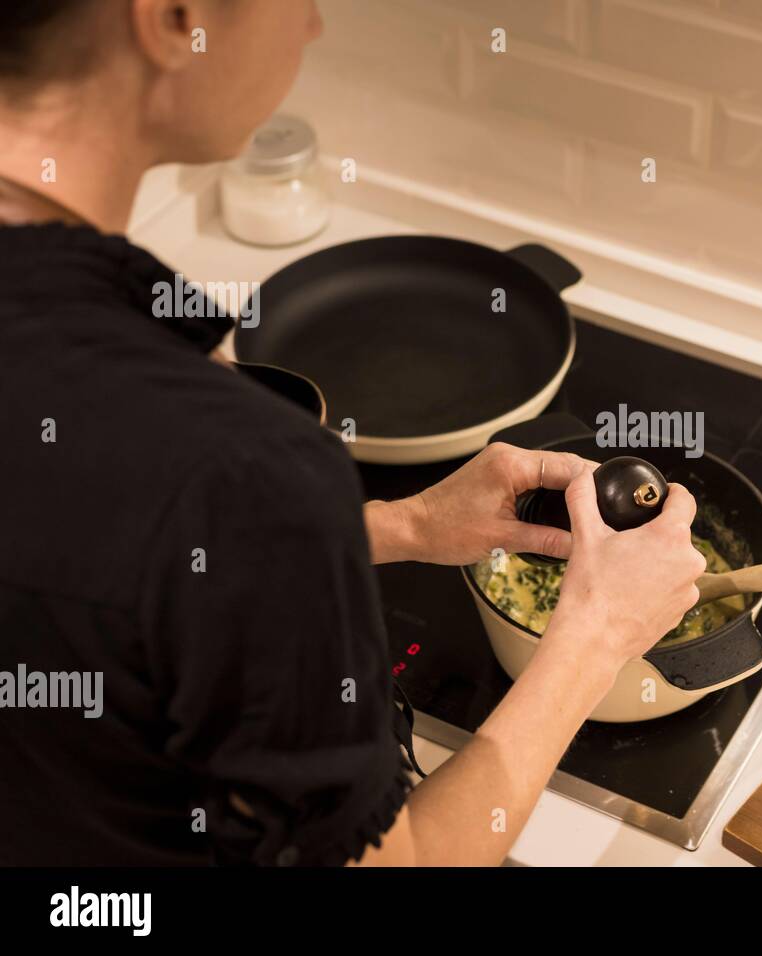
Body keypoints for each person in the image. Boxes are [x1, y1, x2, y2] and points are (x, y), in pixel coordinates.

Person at [0, 0, 706, 866]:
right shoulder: (239, 460)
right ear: (172, 17)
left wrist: (399, 526)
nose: (313, 26)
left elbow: (81, 539)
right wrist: (597, 634)